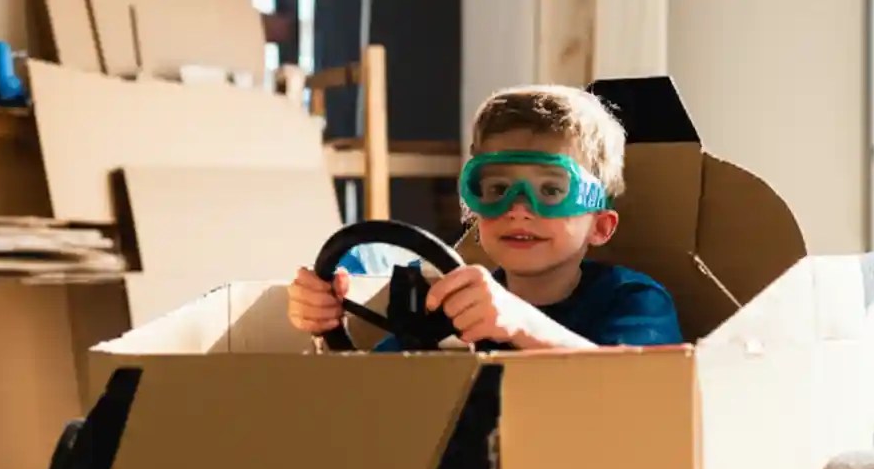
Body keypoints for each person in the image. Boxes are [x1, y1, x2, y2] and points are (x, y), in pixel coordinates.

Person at [286, 84, 684, 350]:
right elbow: (373, 391)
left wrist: (521, 325)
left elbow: (645, 384)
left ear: (599, 226)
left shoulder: (632, 301)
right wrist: (326, 324)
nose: (518, 209)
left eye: (550, 191)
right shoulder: (449, 304)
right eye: (497, 189)